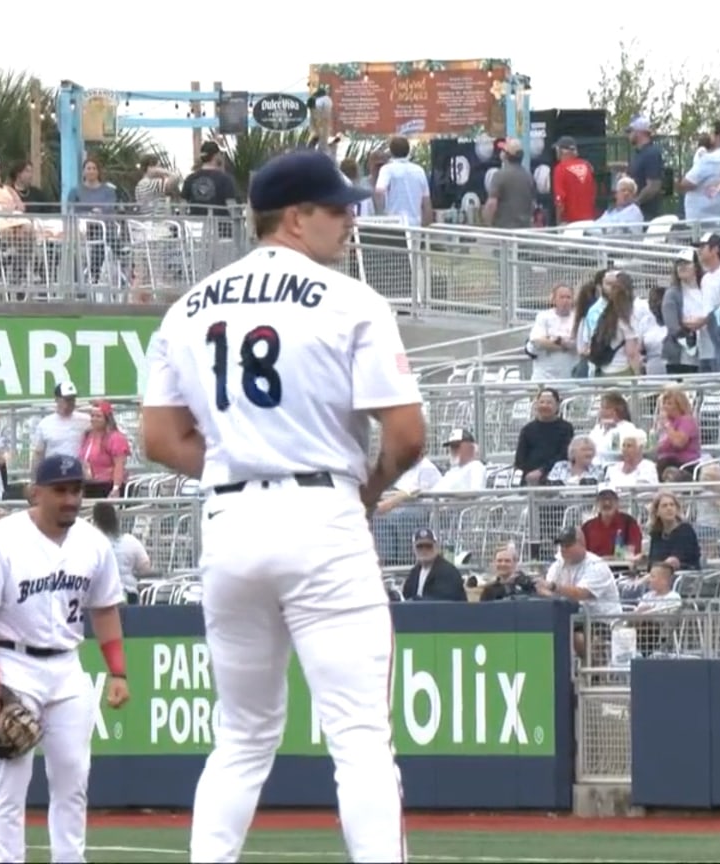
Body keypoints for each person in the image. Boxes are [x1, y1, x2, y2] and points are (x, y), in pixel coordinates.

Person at [138, 148, 424, 863]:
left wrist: (242, 457)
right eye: (337, 207)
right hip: (321, 513)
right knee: (358, 736)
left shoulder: (186, 309)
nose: (351, 219)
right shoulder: (351, 299)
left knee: (240, 737)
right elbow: (409, 436)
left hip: (230, 521)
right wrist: (371, 486)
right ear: (296, 218)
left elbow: (159, 439)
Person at [0, 456, 130, 863]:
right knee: (12, 780)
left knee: (73, 778)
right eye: (61, 490)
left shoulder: (92, 542)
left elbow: (105, 608)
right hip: (13, 664)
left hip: (68, 667)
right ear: (36, 492)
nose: (71, 498)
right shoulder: (4, 537)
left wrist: (118, 671)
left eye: (76, 490)